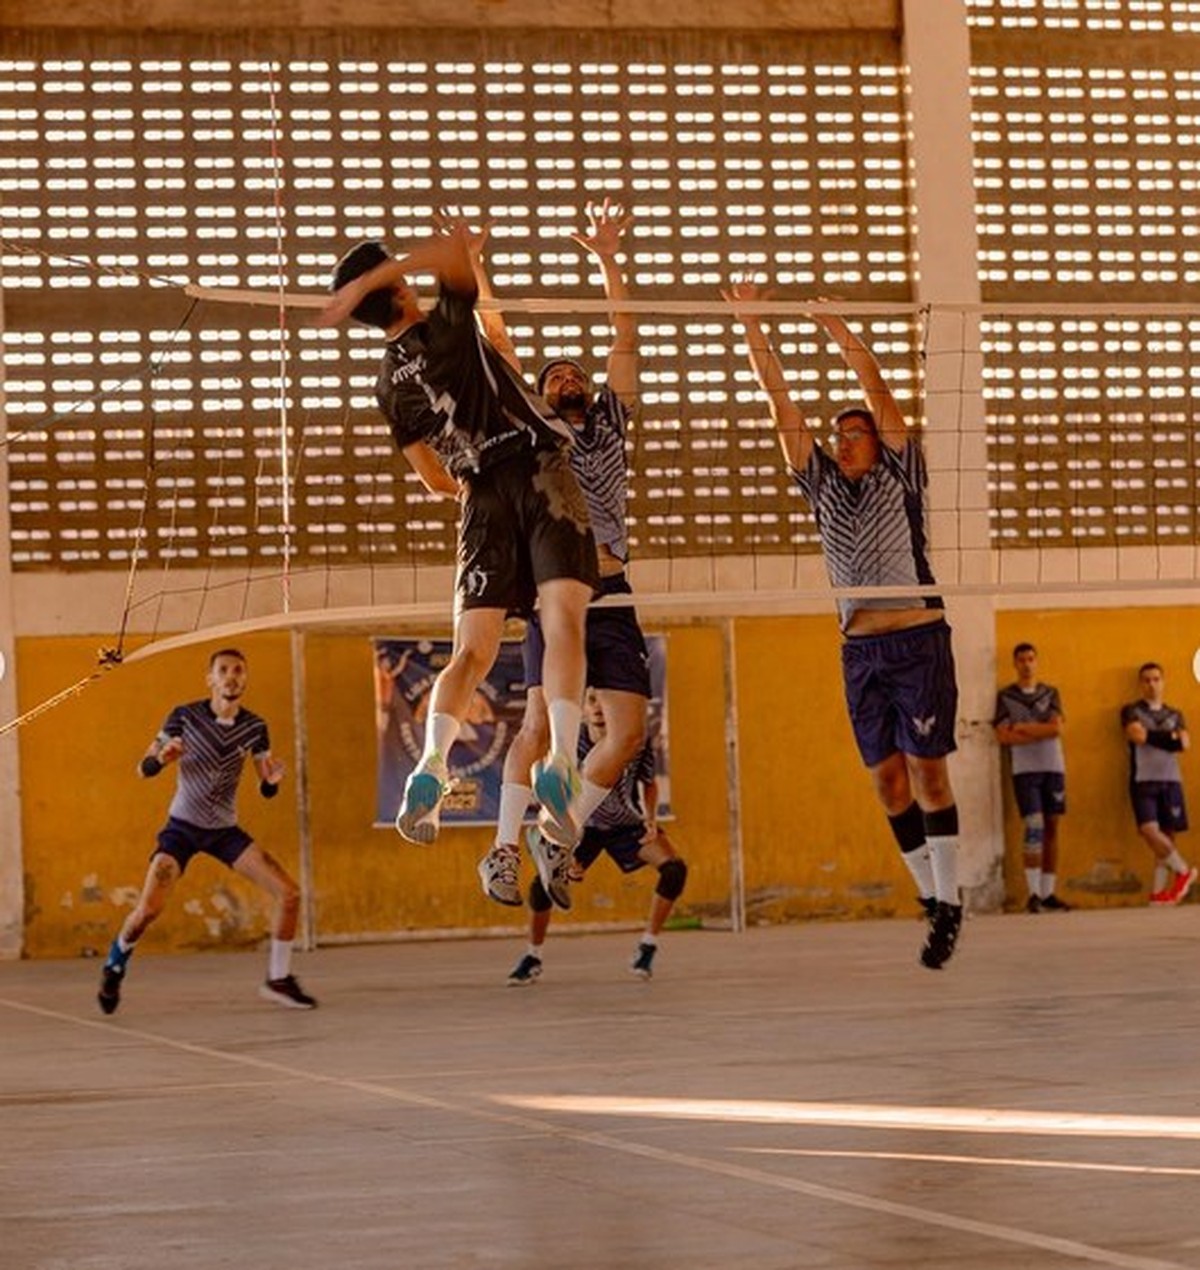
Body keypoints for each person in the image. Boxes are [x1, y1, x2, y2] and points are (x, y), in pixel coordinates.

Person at [321, 226, 598, 859]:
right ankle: (559, 757)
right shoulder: (446, 324)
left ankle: (431, 765)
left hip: (477, 497)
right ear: (398, 286)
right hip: (537, 472)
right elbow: (450, 255)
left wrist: (478, 489)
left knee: (470, 654)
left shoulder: (388, 385)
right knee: (561, 626)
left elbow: (432, 479)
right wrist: (378, 273)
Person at [724, 281, 963, 969]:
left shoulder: (902, 473)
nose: (847, 441)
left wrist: (840, 333)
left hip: (917, 640)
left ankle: (950, 901)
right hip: (859, 651)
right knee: (888, 783)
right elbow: (780, 405)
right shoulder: (823, 485)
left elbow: (880, 392)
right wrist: (753, 328)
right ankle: (931, 901)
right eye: (842, 436)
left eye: (857, 433)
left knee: (928, 775)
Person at [473, 200, 651, 911]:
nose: (567, 378)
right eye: (556, 375)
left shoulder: (611, 422)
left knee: (629, 733)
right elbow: (500, 343)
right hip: (556, 588)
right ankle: (502, 852)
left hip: (617, 586)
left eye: (575, 373)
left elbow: (625, 336)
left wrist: (608, 258)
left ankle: (559, 832)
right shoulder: (532, 423)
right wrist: (476, 266)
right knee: (540, 726)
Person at [97, 649, 316, 1014]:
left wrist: (272, 782)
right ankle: (115, 962)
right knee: (147, 911)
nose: (232, 677)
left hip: (224, 830)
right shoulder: (185, 716)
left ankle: (278, 978)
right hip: (181, 829)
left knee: (290, 894)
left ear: (245, 679)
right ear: (210, 678)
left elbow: (266, 783)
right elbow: (143, 768)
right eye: (224, 671)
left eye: (239, 671)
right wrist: (162, 759)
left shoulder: (254, 727)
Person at [508, 690, 687, 984]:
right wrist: (566, 846)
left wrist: (651, 819)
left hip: (624, 824)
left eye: (605, 701)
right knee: (542, 884)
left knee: (675, 870)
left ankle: (647, 946)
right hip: (582, 825)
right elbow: (548, 785)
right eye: (592, 700)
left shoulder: (634, 739)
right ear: (582, 707)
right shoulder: (567, 744)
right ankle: (532, 956)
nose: (599, 708)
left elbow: (649, 783)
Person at [994, 642, 1070, 913]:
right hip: (1025, 770)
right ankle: (1034, 892)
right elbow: (1002, 735)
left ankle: (1049, 892)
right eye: (1022, 660)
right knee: (1034, 825)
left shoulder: (1050, 693)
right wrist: (1041, 728)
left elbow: (1056, 729)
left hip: (1053, 766)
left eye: (1030, 659)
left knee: (1052, 827)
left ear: (1036, 662)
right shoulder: (1006, 697)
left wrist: (1022, 728)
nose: (1027, 664)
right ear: (1015, 664)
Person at [1120, 662, 1197, 906]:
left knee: (1166, 838)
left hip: (1171, 780)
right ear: (1141, 684)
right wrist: (1169, 738)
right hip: (1143, 780)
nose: (1152, 684)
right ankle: (1184, 871)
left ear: (1163, 682)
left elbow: (1184, 743)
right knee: (1149, 831)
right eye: (1147, 680)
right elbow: (1136, 736)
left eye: (1156, 679)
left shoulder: (1175, 714)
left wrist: (1156, 737)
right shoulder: (1131, 710)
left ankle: (1159, 893)